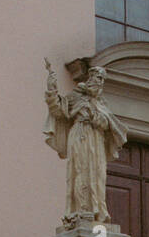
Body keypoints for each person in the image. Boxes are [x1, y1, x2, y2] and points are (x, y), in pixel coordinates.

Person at [43, 60, 128, 226]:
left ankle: (98, 211)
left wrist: (97, 118)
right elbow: (58, 110)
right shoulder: (76, 96)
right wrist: (52, 89)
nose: (99, 82)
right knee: (81, 171)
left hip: (96, 139)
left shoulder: (101, 103)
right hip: (80, 135)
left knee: (98, 174)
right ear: (91, 79)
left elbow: (107, 122)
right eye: (97, 78)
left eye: (102, 80)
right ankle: (81, 211)